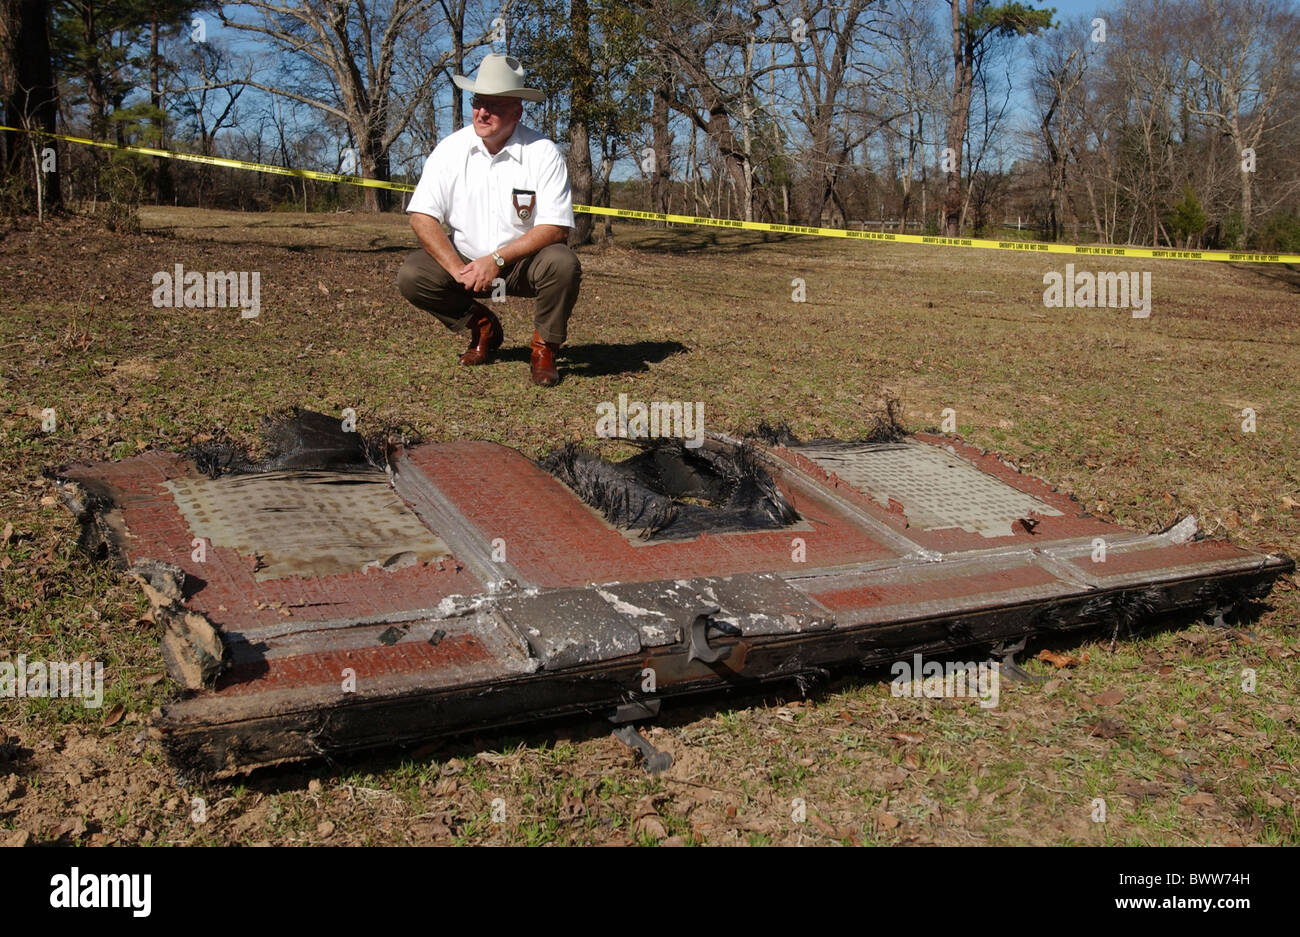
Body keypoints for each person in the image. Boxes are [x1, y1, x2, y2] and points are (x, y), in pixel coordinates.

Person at [397, 54, 581, 386]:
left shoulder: (543, 152)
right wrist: (458, 269)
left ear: (517, 111)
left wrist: (497, 260)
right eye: (478, 102)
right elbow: (422, 217)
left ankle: (544, 349)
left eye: (494, 105)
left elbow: (556, 227)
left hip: (525, 262)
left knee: (563, 263)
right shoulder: (450, 150)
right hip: (467, 261)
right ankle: (482, 327)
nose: (483, 112)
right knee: (412, 274)